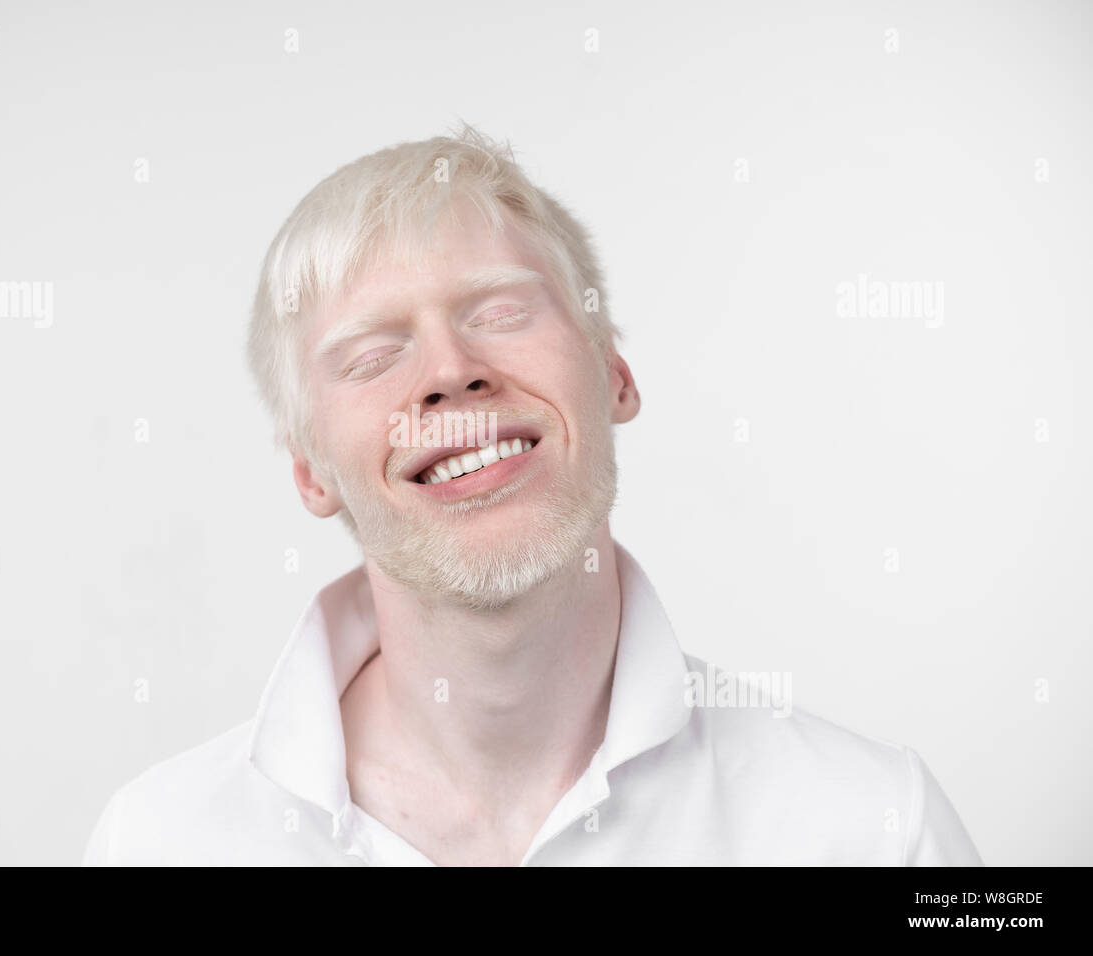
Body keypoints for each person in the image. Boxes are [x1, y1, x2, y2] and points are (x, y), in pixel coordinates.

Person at [82, 125, 983, 866]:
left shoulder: (877, 830)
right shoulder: (157, 845)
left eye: (501, 312)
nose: (450, 372)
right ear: (312, 473)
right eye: (370, 357)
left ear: (613, 372)